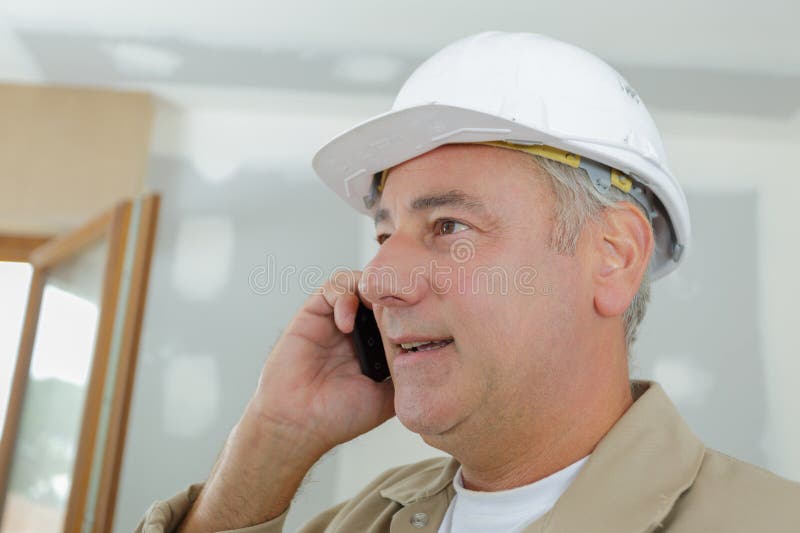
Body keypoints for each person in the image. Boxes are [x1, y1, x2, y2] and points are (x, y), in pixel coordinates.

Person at [138, 32, 800, 532]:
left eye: (449, 225)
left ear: (613, 256)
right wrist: (274, 437)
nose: (379, 277)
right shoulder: (365, 520)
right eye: (383, 233)